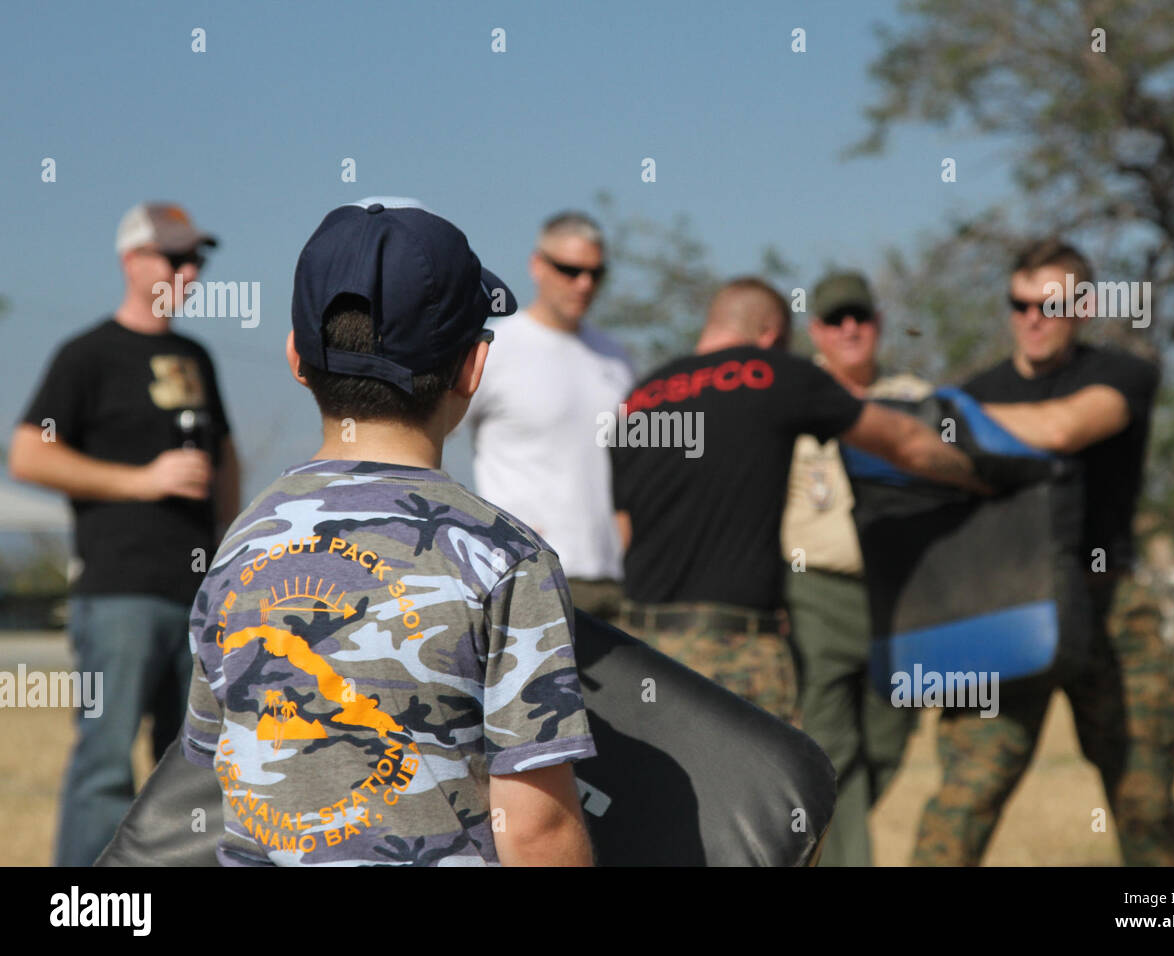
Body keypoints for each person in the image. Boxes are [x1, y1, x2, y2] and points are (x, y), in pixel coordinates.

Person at [180, 198, 595, 866]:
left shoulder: (240, 544)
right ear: (472, 368)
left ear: (296, 357)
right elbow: (535, 828)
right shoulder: (506, 559)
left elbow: (213, 757)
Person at [912, 237, 1174, 866]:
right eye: (1019, 303)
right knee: (965, 796)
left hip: (1109, 604)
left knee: (1146, 797)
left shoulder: (1121, 373)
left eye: (1050, 304)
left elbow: (1064, 429)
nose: (1032, 318)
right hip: (1004, 605)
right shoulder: (974, 389)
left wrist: (944, 422)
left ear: (1083, 306)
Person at [611, 277, 984, 723]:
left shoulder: (638, 399)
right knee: (758, 790)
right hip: (735, 646)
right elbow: (903, 442)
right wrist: (980, 478)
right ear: (771, 335)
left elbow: (624, 526)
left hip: (639, 643)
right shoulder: (772, 372)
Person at [9, 201, 240, 867]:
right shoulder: (87, 355)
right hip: (119, 594)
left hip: (198, 595)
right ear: (132, 260)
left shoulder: (195, 355)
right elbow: (29, 454)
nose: (189, 270)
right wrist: (145, 480)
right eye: (175, 257)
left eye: (197, 258)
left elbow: (224, 459)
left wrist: (231, 548)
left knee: (194, 766)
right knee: (106, 763)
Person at [781, 270, 928, 866]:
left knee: (893, 739)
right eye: (836, 319)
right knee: (830, 748)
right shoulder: (792, 395)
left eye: (860, 318)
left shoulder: (914, 397)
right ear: (815, 329)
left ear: (878, 325)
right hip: (815, 589)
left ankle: (825, 848)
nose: (850, 329)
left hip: (900, 595)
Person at [461, 212, 634, 623]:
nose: (585, 284)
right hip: (526, 572)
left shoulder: (618, 358)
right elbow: (427, 433)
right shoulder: (496, 346)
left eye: (596, 272)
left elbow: (632, 464)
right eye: (570, 270)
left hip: (612, 579)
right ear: (537, 265)